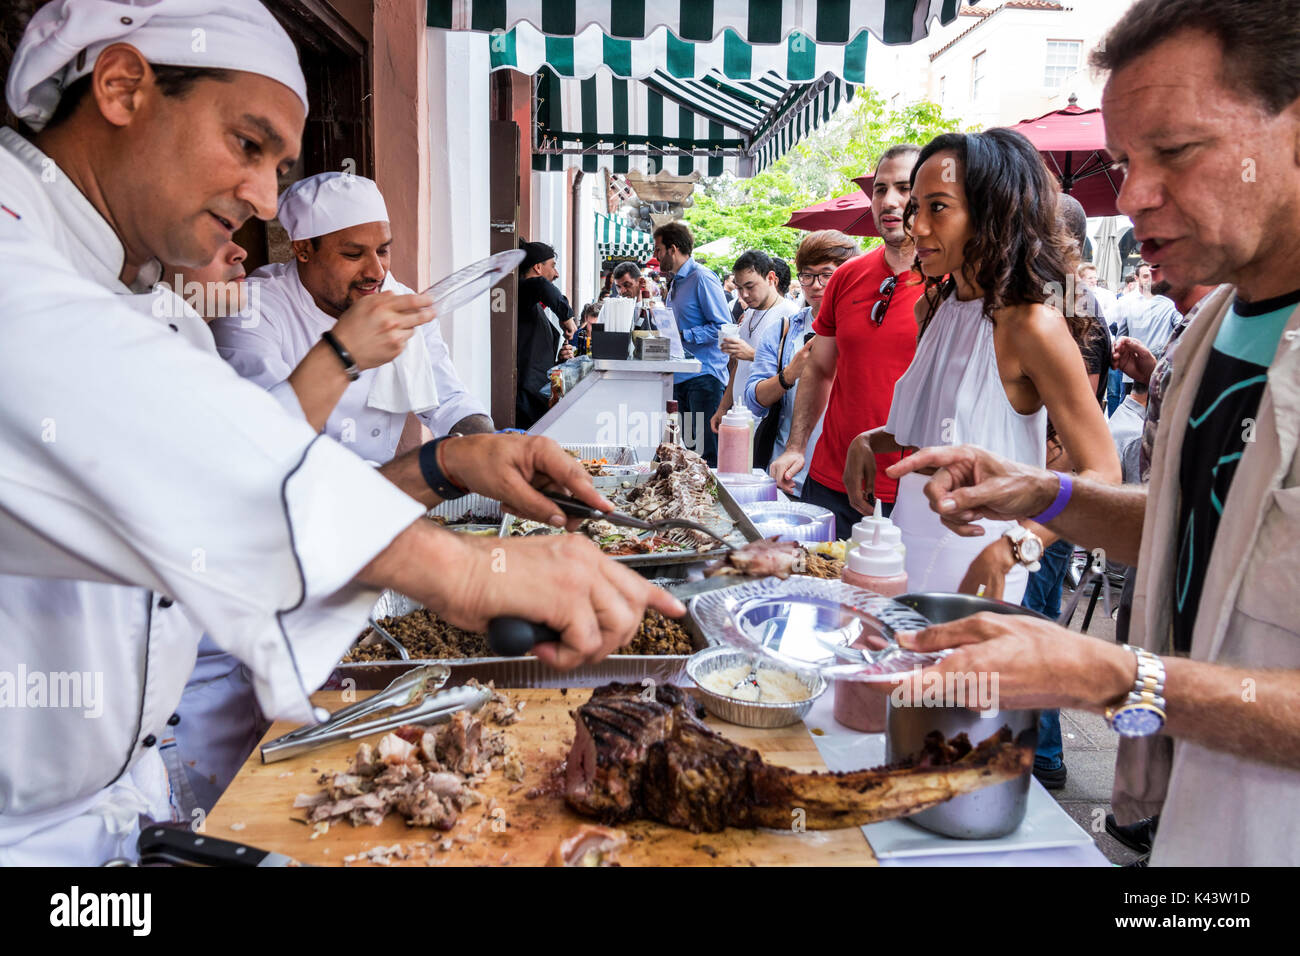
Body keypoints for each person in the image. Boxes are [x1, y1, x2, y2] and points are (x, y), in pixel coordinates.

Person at [0, 0, 681, 865]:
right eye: (248, 145)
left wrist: (459, 456)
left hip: (113, 809)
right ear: (123, 86)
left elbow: (249, 452)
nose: (258, 200)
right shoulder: (18, 243)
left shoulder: (139, 289)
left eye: (277, 166)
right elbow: (168, 437)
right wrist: (462, 569)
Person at [886, 0, 1300, 866]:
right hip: (1185, 829)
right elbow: (1206, 535)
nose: (1133, 195)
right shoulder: (1217, 326)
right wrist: (1045, 491)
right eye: (1122, 161)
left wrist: (1118, 675)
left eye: (1176, 151)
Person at [843, 129, 1120, 605]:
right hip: (902, 548)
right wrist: (871, 440)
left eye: (938, 207)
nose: (918, 228)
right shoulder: (933, 308)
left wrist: (1018, 546)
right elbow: (941, 433)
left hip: (983, 565)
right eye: (917, 209)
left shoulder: (1032, 325)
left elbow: (1103, 472)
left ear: (993, 213)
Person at [212, 173, 492, 463]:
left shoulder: (398, 300)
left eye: (383, 250)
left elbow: (449, 401)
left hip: (377, 486)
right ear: (303, 249)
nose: (377, 272)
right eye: (353, 254)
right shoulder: (252, 308)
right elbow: (269, 432)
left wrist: (489, 446)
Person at [768, 147, 927, 538]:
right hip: (831, 480)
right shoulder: (846, 277)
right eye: (879, 189)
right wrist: (795, 447)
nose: (888, 201)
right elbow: (820, 368)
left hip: (912, 492)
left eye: (904, 188)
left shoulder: (953, 285)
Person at [742, 231, 859, 489]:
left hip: (844, 479)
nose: (816, 285)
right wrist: (789, 374)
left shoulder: (865, 332)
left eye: (827, 275)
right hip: (788, 473)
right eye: (807, 275)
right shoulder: (783, 329)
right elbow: (753, 400)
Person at [654, 221, 731, 464]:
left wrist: (683, 335)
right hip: (682, 376)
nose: (655, 256)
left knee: (707, 454)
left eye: (658, 250)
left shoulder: (702, 278)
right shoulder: (676, 281)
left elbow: (722, 327)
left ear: (672, 249)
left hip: (705, 376)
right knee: (692, 450)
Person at [711, 250, 799, 438]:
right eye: (739, 288)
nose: (744, 295)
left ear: (771, 278)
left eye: (750, 286)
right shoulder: (750, 313)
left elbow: (793, 369)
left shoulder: (791, 315)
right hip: (739, 415)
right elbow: (738, 368)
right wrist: (723, 408)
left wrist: (751, 354)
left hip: (768, 423)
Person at [514, 239, 573, 428]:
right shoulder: (521, 291)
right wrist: (567, 317)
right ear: (538, 267)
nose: (556, 273)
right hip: (526, 399)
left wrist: (560, 360)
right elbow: (540, 286)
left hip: (536, 396)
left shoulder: (533, 306)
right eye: (553, 266)